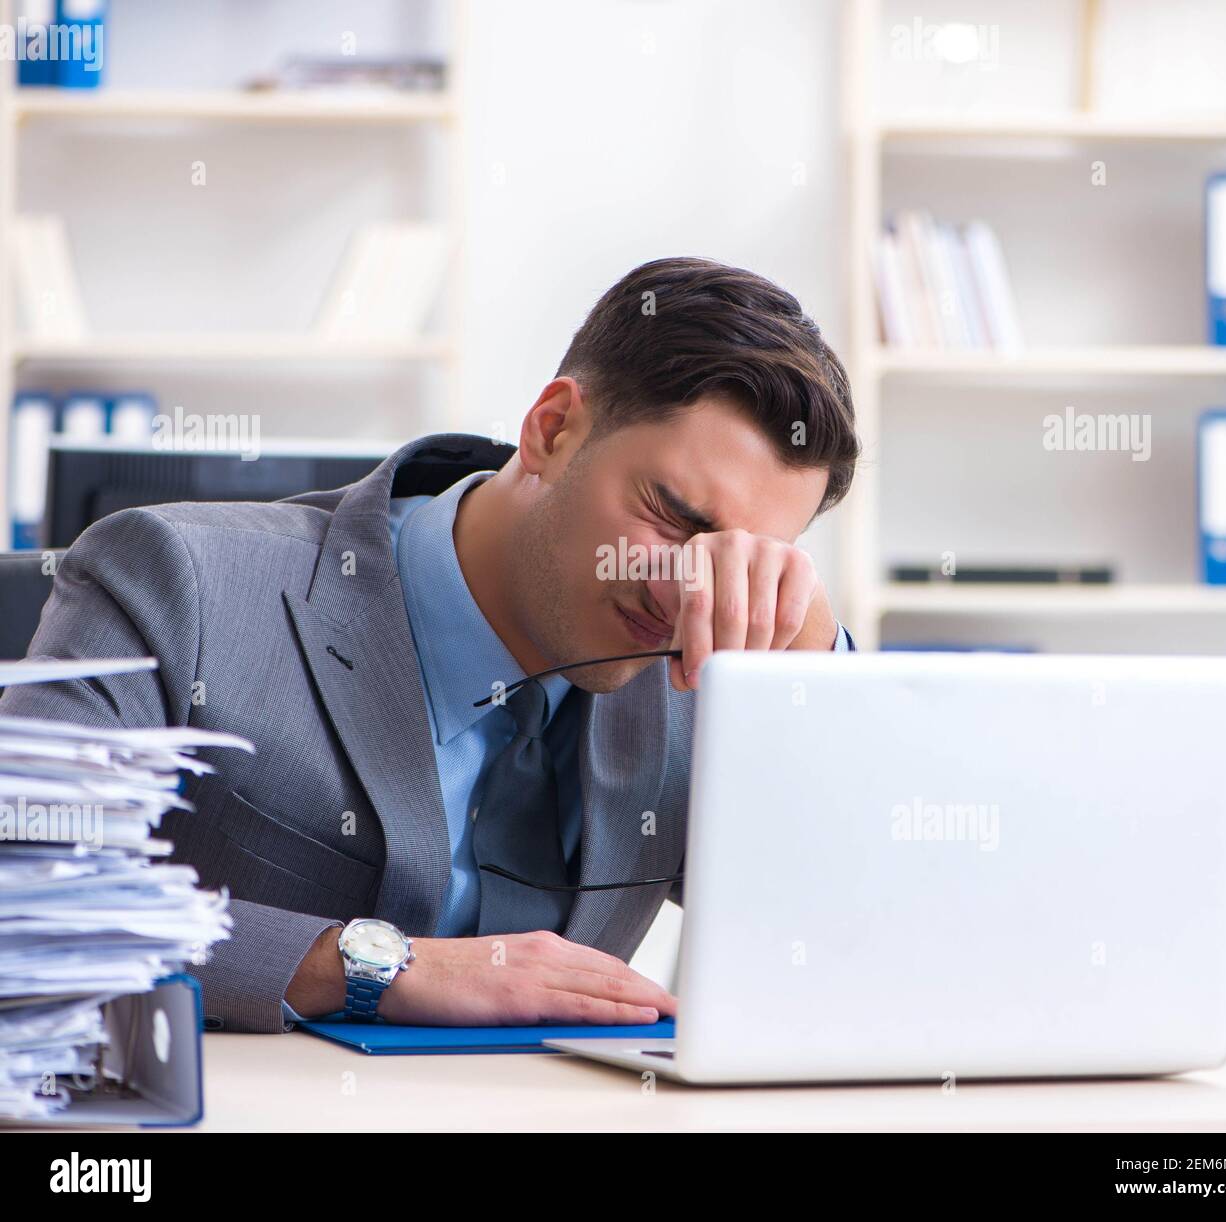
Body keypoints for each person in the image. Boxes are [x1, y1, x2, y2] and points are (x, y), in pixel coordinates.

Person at [0, 256, 860, 1033]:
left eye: (748, 556)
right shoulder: (175, 579)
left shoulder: (714, 664)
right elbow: (24, 895)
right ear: (553, 428)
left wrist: (818, 661)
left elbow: (862, 929)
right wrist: (369, 967)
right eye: (671, 516)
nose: (686, 588)